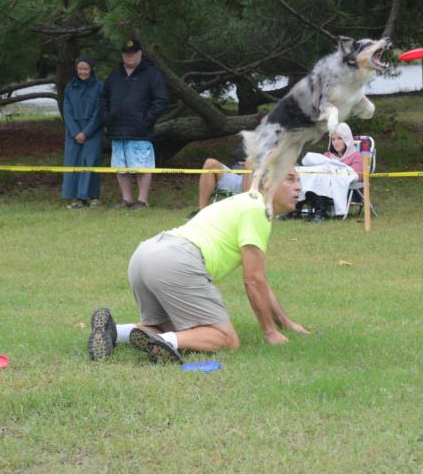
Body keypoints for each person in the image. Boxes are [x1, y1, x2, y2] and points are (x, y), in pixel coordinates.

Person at [87, 169, 310, 364]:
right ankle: (160, 342)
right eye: (290, 179)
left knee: (176, 328)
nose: (298, 186)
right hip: (175, 260)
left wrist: (285, 322)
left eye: (299, 180)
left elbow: (260, 281)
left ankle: (114, 333)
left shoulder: (242, 202)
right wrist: (270, 332)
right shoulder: (257, 209)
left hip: (145, 255)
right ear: (266, 183)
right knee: (226, 338)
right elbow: (254, 280)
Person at [100, 36, 168, 209]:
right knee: (120, 167)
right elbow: (103, 97)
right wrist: (106, 117)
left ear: (140, 53)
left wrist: (146, 120)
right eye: (126, 54)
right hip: (116, 129)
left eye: (132, 53)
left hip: (140, 131)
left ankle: (142, 201)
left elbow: (160, 100)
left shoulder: (151, 74)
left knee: (142, 167)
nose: (129, 56)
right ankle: (127, 200)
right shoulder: (115, 75)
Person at [295, 122, 363, 221]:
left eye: (340, 138)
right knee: (304, 173)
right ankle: (294, 210)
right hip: (323, 188)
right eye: (333, 139)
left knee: (322, 176)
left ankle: (321, 213)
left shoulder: (357, 157)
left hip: (347, 190)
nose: (336, 142)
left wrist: (336, 171)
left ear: (347, 139)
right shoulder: (327, 156)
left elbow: (357, 177)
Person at [61, 55, 104, 209]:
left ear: (91, 69)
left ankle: (93, 197)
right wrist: (75, 132)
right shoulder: (70, 87)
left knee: (90, 162)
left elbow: (99, 112)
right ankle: (78, 199)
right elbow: (66, 110)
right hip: (73, 132)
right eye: (80, 68)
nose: (83, 72)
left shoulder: (99, 86)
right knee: (74, 162)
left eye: (86, 68)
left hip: (92, 132)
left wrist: (86, 132)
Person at [187, 142, 252, 219]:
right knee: (210, 163)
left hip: (256, 180)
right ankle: (201, 212)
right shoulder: (250, 136)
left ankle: (249, 211)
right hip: (236, 176)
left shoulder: (267, 140)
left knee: (250, 163)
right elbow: (237, 153)